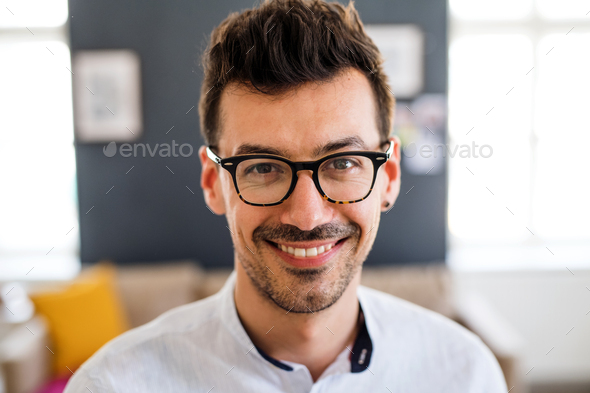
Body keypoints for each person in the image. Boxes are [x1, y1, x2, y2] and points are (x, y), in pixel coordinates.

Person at [64, 0, 508, 392]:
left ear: (387, 177)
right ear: (212, 182)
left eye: (343, 163)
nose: (307, 214)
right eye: (262, 168)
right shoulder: (111, 384)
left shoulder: (464, 374)